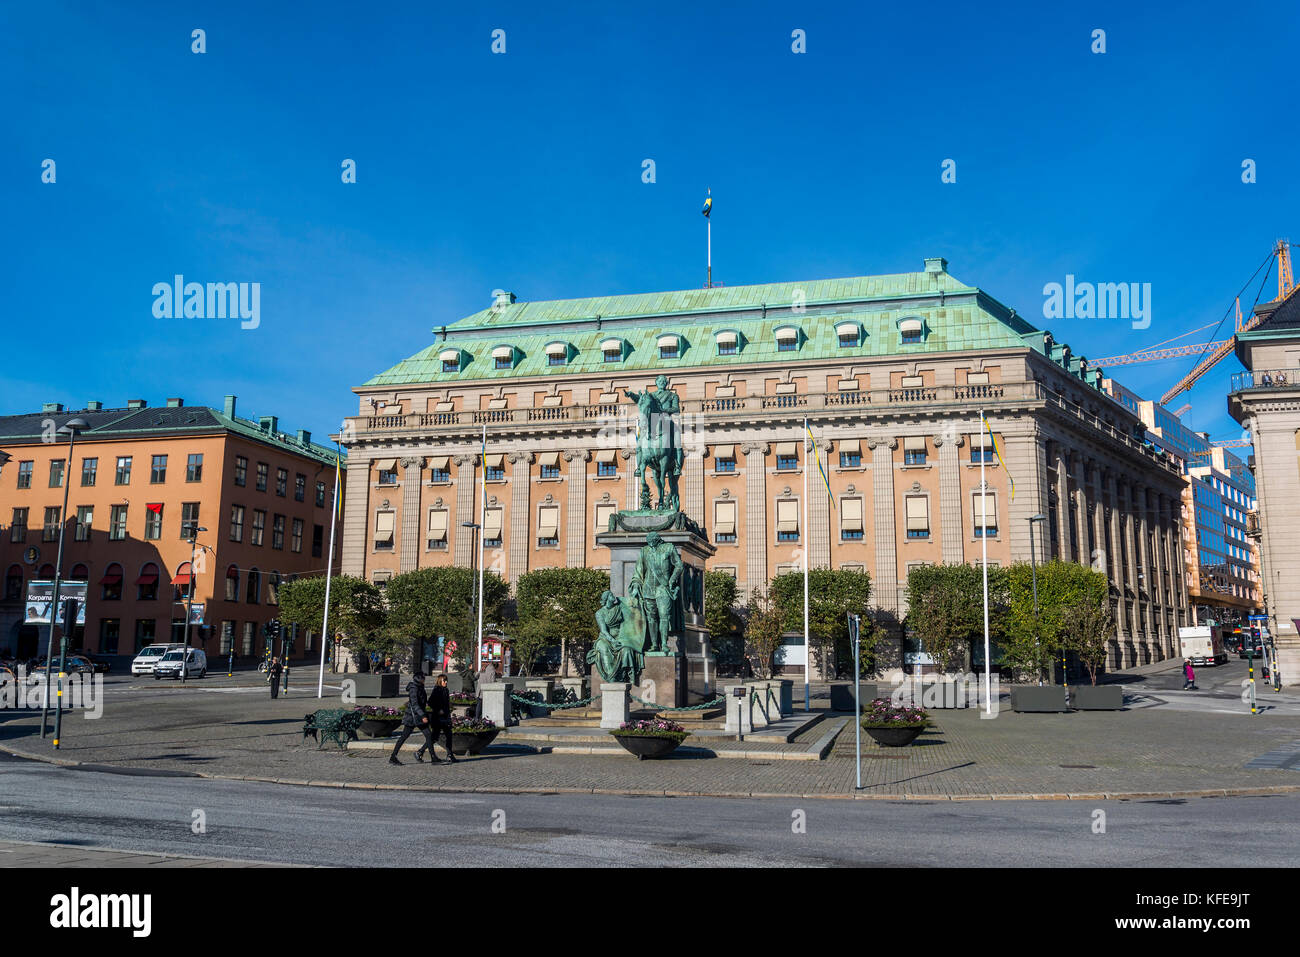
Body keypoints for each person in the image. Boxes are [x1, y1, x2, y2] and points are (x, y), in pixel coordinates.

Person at [390, 672, 438, 765]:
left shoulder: (420, 687)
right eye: (423, 678)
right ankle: (393, 757)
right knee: (404, 736)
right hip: (412, 717)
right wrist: (423, 716)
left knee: (428, 735)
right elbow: (415, 704)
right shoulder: (414, 689)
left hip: (418, 716)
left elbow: (422, 701)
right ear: (418, 679)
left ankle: (433, 757)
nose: (424, 679)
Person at [417, 674, 457, 763]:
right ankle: (420, 751)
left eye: (446, 680)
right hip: (437, 718)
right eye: (444, 681)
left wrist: (449, 708)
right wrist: (438, 710)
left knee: (449, 735)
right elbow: (430, 702)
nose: (446, 682)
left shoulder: (446, 690)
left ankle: (450, 755)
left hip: (446, 717)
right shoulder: (437, 690)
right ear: (440, 681)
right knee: (434, 737)